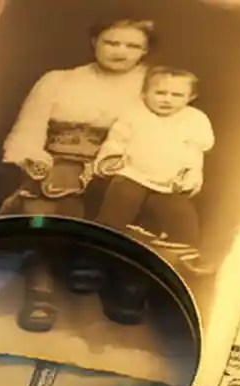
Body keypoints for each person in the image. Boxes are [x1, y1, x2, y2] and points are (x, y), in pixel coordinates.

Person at [0, 19, 153, 331]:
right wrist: (36, 161)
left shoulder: (151, 84)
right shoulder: (58, 80)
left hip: (121, 163)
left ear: (145, 51)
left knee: (131, 200)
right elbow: (29, 128)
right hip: (59, 160)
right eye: (112, 42)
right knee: (45, 203)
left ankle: (121, 286)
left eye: (133, 45)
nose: (121, 51)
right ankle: (40, 290)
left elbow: (161, 134)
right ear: (94, 42)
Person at [92, 66, 214, 270]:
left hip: (169, 180)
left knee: (181, 213)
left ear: (191, 97)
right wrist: (108, 159)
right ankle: (104, 239)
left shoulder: (195, 119)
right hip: (132, 172)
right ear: (144, 93)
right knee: (121, 198)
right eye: (160, 93)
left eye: (177, 95)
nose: (167, 99)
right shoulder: (134, 113)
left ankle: (186, 252)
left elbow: (194, 153)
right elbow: (116, 141)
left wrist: (192, 174)